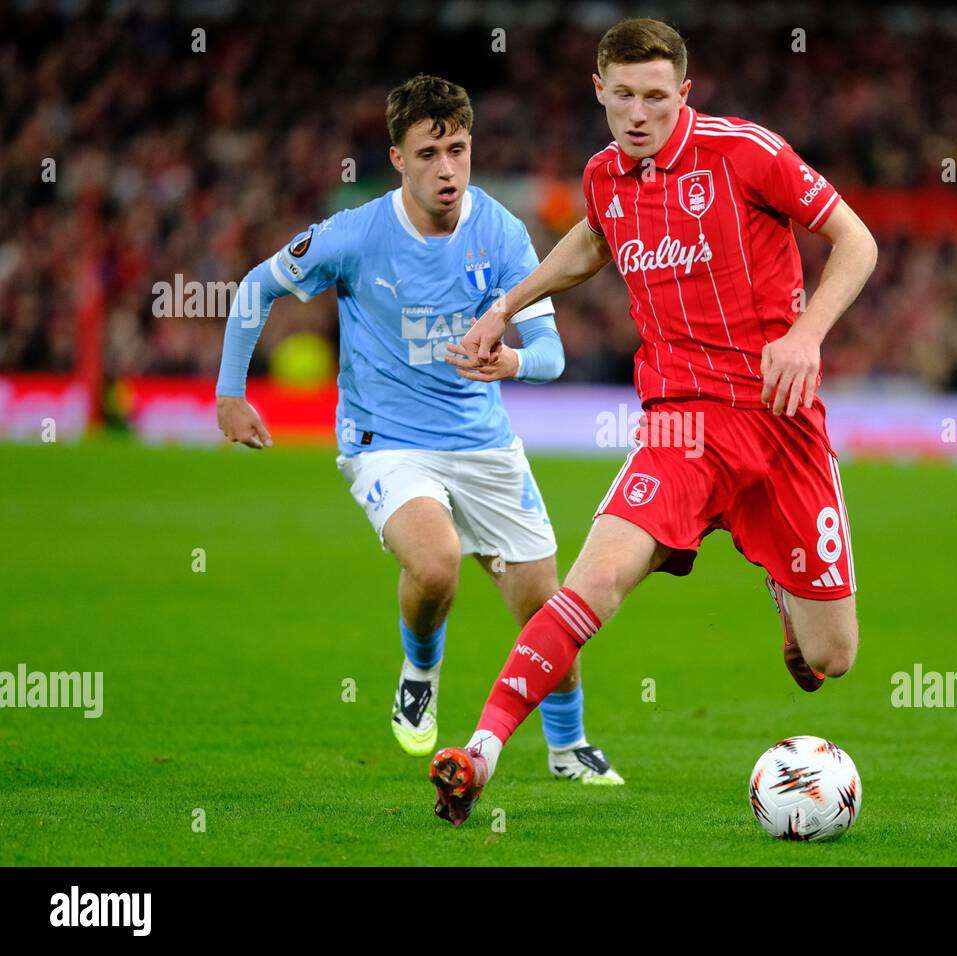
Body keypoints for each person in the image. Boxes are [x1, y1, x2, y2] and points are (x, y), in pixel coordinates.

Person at [430, 19, 877, 825]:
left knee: (831, 657)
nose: (640, 114)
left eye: (657, 98)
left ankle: (781, 585)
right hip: (678, 424)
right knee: (592, 582)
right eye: (624, 96)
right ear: (600, 91)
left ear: (685, 94)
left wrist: (806, 336)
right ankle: (481, 749)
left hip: (780, 424)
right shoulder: (604, 175)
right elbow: (591, 244)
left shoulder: (746, 154)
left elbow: (857, 239)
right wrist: (505, 306)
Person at [214, 74, 623, 785]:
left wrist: (511, 361)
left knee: (543, 606)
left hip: (484, 444)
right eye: (429, 152)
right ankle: (421, 668)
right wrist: (229, 391)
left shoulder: (499, 231)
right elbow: (258, 286)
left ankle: (569, 747)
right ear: (398, 157)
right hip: (386, 440)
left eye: (458, 150)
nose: (447, 169)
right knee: (435, 562)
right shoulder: (357, 234)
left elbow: (552, 355)